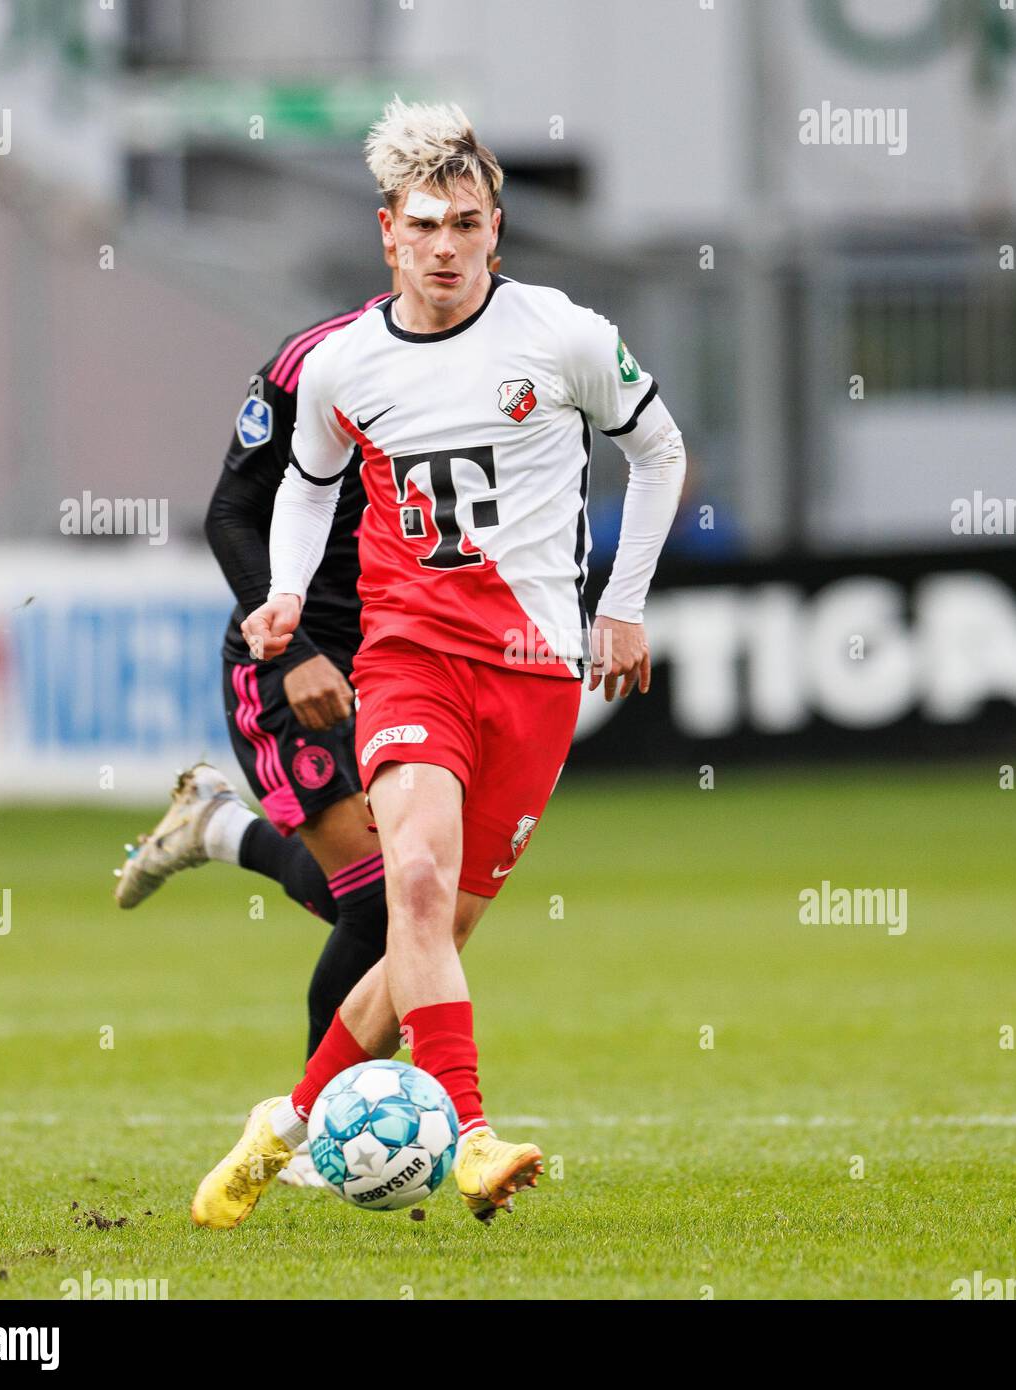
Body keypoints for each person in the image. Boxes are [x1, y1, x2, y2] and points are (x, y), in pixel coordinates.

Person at [191, 97, 685, 1228]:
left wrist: (624, 607)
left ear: (497, 231)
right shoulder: (342, 364)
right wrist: (283, 601)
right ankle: (468, 1135)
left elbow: (657, 449)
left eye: (469, 224)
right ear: (388, 234)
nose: (448, 246)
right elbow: (306, 487)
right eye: (426, 225)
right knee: (406, 885)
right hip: (407, 662)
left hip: (536, 676)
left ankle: (283, 1125)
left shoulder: (558, 332)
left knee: (433, 938)